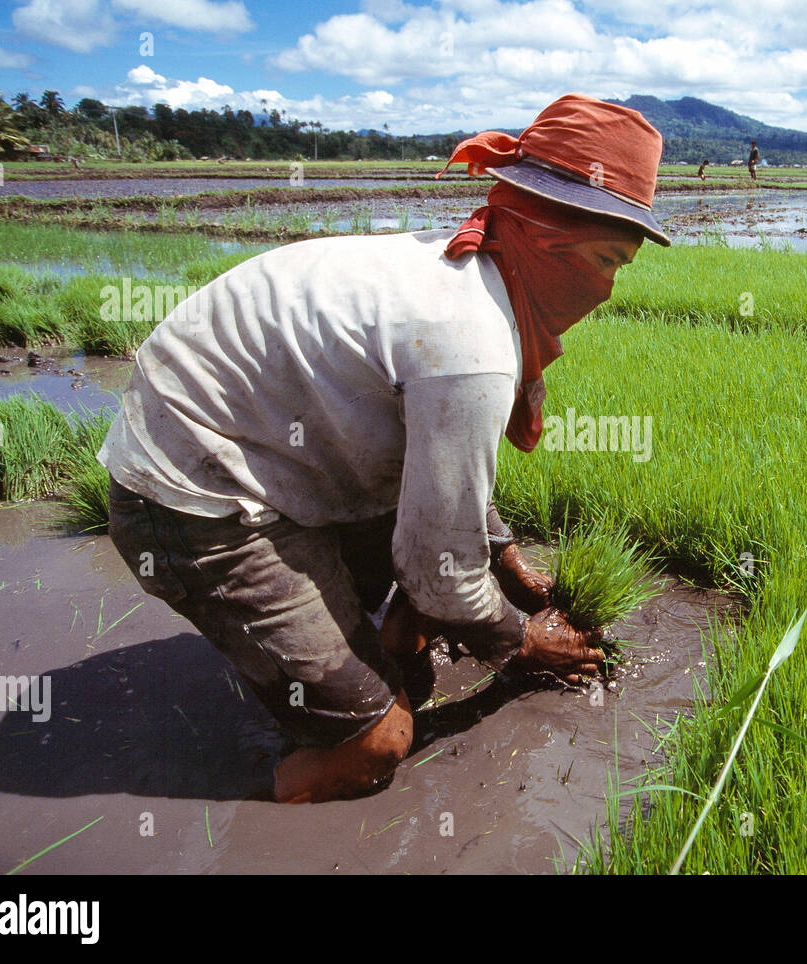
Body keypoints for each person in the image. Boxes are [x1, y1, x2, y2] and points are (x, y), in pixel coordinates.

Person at [99, 94, 671, 804]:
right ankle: (275, 806)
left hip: (268, 449)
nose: (609, 290)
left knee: (437, 575)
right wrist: (521, 639)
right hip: (189, 492)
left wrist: (506, 558)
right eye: (607, 259)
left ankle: (384, 650)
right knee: (378, 745)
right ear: (547, 234)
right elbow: (438, 565)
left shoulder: (474, 268)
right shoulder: (471, 343)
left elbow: (440, 481)